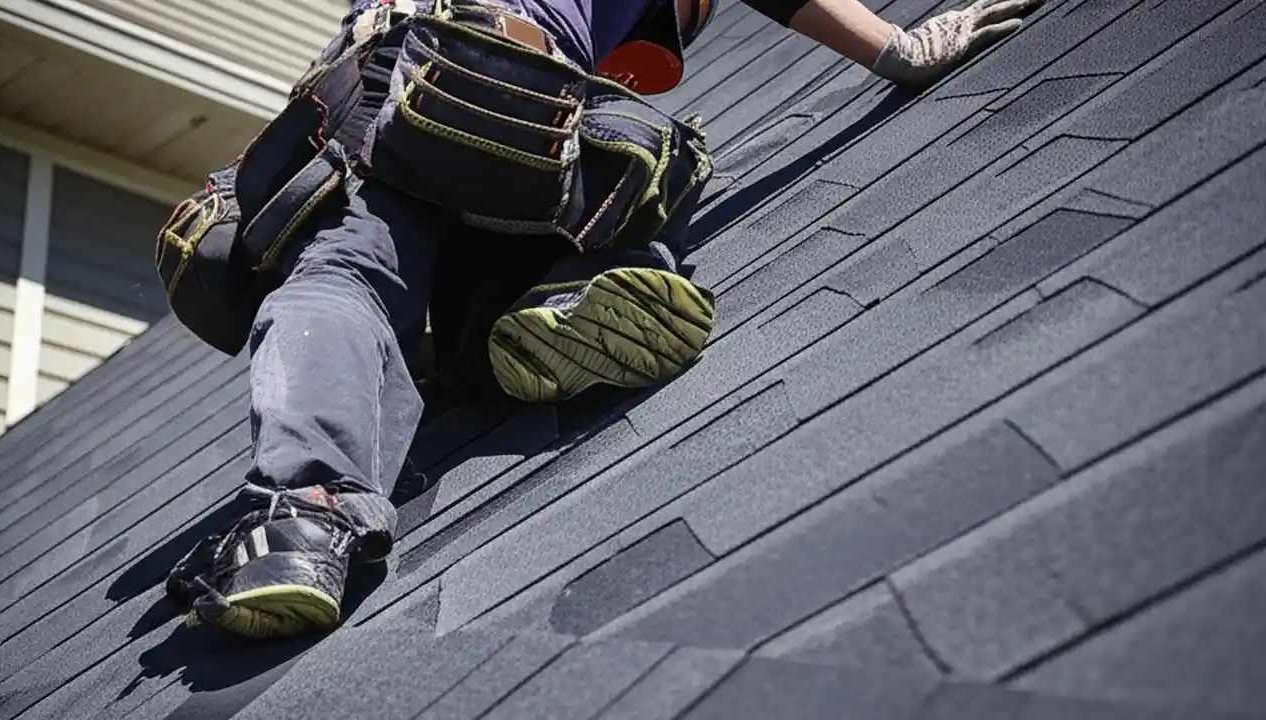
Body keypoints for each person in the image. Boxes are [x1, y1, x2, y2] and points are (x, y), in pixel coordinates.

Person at [163, 0, 1043, 639]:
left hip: (406, 88)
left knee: (353, 273)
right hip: (487, 93)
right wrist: (900, 48)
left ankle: (309, 505)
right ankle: (548, 298)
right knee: (556, 201)